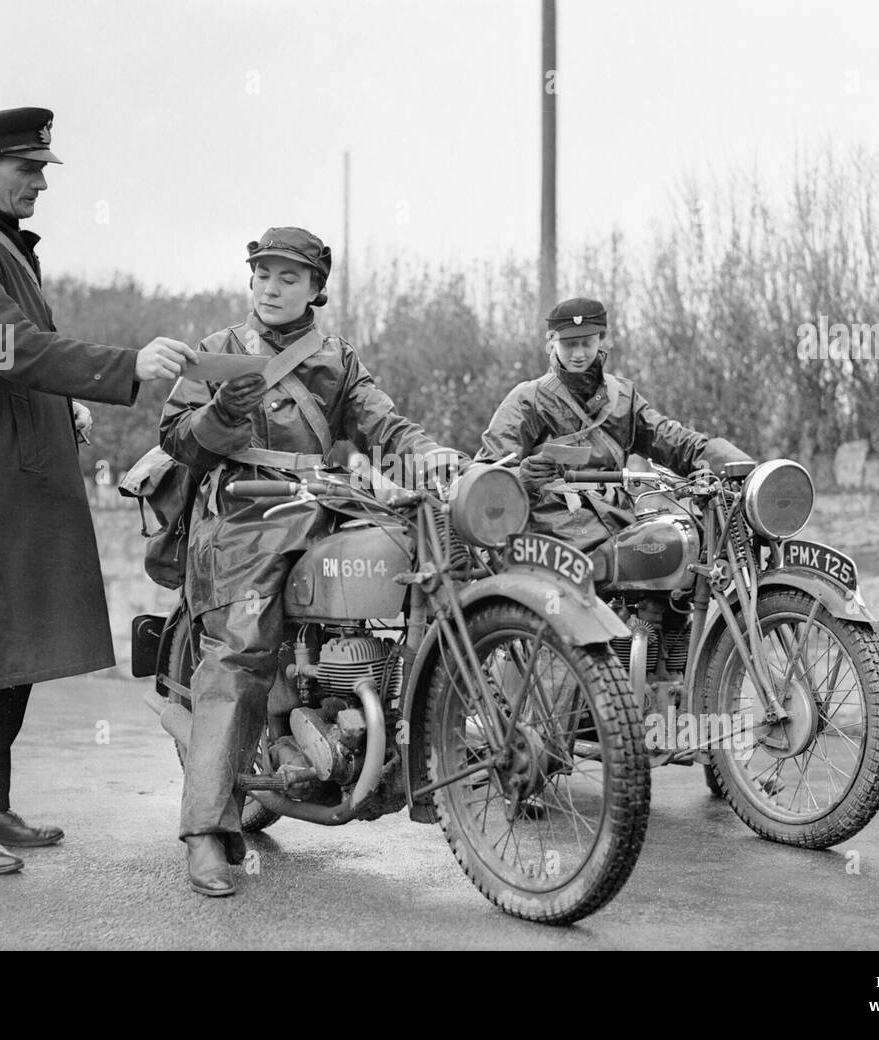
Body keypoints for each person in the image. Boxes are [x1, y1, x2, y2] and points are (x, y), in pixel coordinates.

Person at [0, 107, 196, 875]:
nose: (40, 182)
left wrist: (63, 401)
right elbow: (9, 347)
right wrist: (124, 367)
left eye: (42, 169)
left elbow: (9, 356)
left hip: (14, 480)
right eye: (26, 169)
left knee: (14, 642)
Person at [159, 227, 458, 897]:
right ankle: (207, 831)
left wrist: (431, 453)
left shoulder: (337, 358)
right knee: (240, 648)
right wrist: (219, 415)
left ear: (316, 289)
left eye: (288, 277)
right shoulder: (218, 351)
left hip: (324, 500)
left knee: (420, 563)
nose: (271, 285)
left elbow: (386, 425)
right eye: (262, 273)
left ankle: (381, 728)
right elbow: (178, 438)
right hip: (242, 509)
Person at [476, 297, 751, 552]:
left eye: (587, 342)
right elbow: (486, 472)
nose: (579, 353)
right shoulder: (528, 399)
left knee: (678, 558)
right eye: (570, 344)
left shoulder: (622, 397)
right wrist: (521, 478)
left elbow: (671, 440)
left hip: (618, 525)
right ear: (552, 343)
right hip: (550, 535)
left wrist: (737, 466)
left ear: (601, 340)